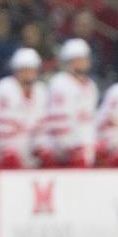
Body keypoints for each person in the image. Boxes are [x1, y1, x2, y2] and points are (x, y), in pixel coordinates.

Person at [35, 37, 98, 167]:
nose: (81, 63)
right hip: (64, 152)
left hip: (85, 148)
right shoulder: (60, 83)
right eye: (77, 60)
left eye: (84, 59)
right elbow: (58, 120)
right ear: (68, 62)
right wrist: (69, 147)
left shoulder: (91, 86)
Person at [0, 47, 43, 169]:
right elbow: (1, 131)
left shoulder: (41, 91)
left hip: (28, 157)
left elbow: (42, 125)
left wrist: (40, 146)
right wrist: (8, 152)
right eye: (24, 70)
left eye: (31, 69)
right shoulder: (4, 89)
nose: (28, 73)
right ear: (16, 71)